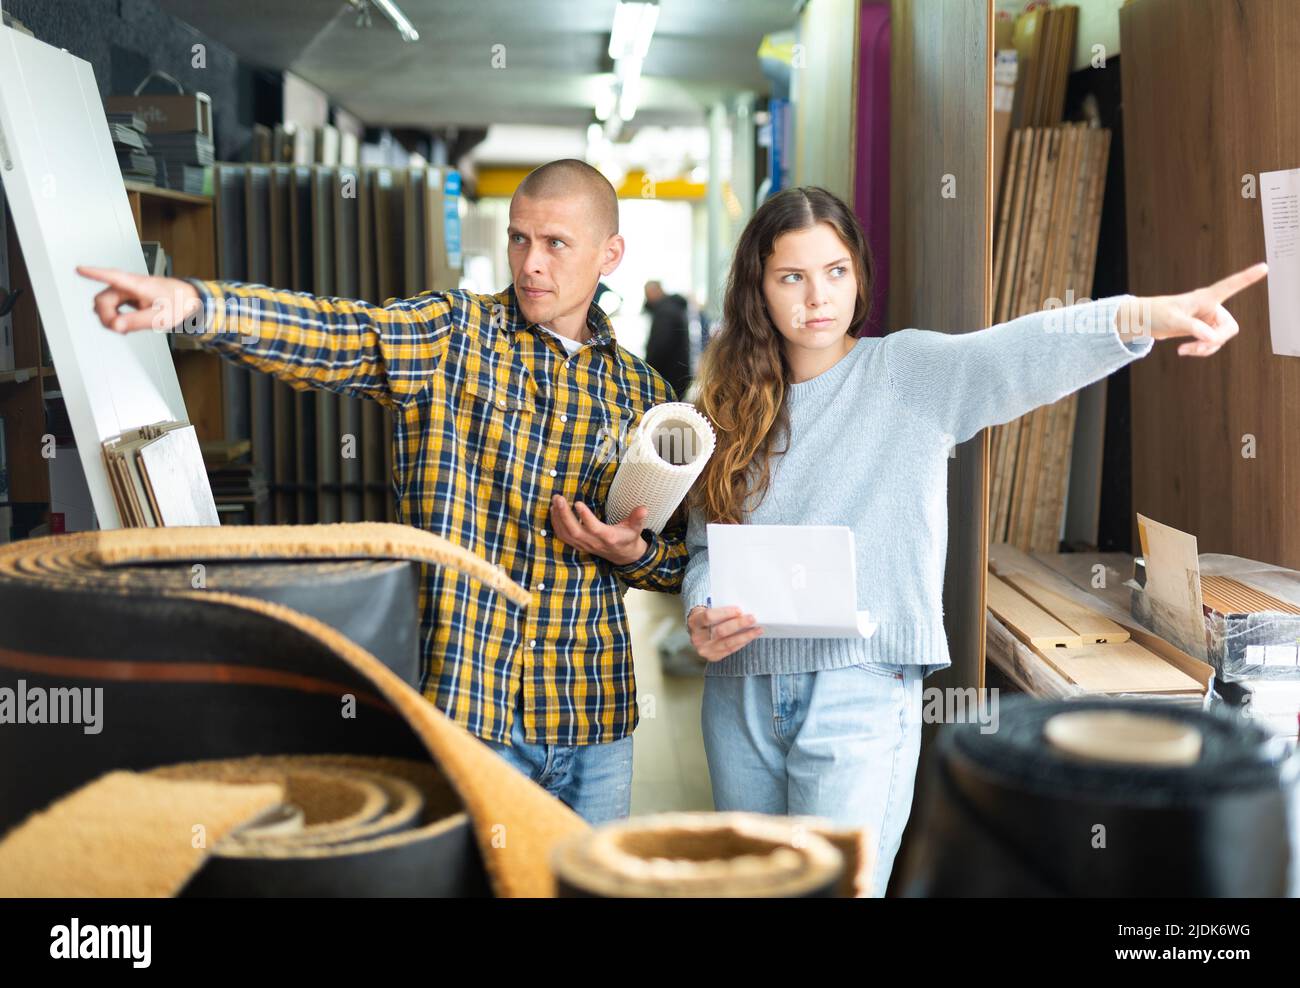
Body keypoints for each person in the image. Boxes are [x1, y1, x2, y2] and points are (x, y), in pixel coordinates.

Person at [680, 185, 1265, 895]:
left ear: (859, 274)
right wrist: (701, 609)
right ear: (759, 289)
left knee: (838, 891)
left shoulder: (907, 373)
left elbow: (1018, 354)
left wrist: (1145, 315)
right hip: (739, 689)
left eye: (836, 270)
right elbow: (708, 551)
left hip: (858, 686)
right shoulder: (724, 408)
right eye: (791, 277)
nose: (817, 297)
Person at [78, 159, 688, 824]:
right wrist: (198, 306)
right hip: (468, 711)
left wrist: (629, 553)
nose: (531, 263)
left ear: (611, 253)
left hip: (592, 713)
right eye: (519, 239)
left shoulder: (643, 396)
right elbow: (339, 333)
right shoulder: (454, 334)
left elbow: (677, 561)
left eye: (555, 243)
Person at [643, 280, 693, 398]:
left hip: (668, 377)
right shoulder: (674, 308)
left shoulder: (665, 312)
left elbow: (659, 347)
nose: (647, 298)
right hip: (679, 374)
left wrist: (647, 369)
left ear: (656, 291)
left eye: (648, 294)